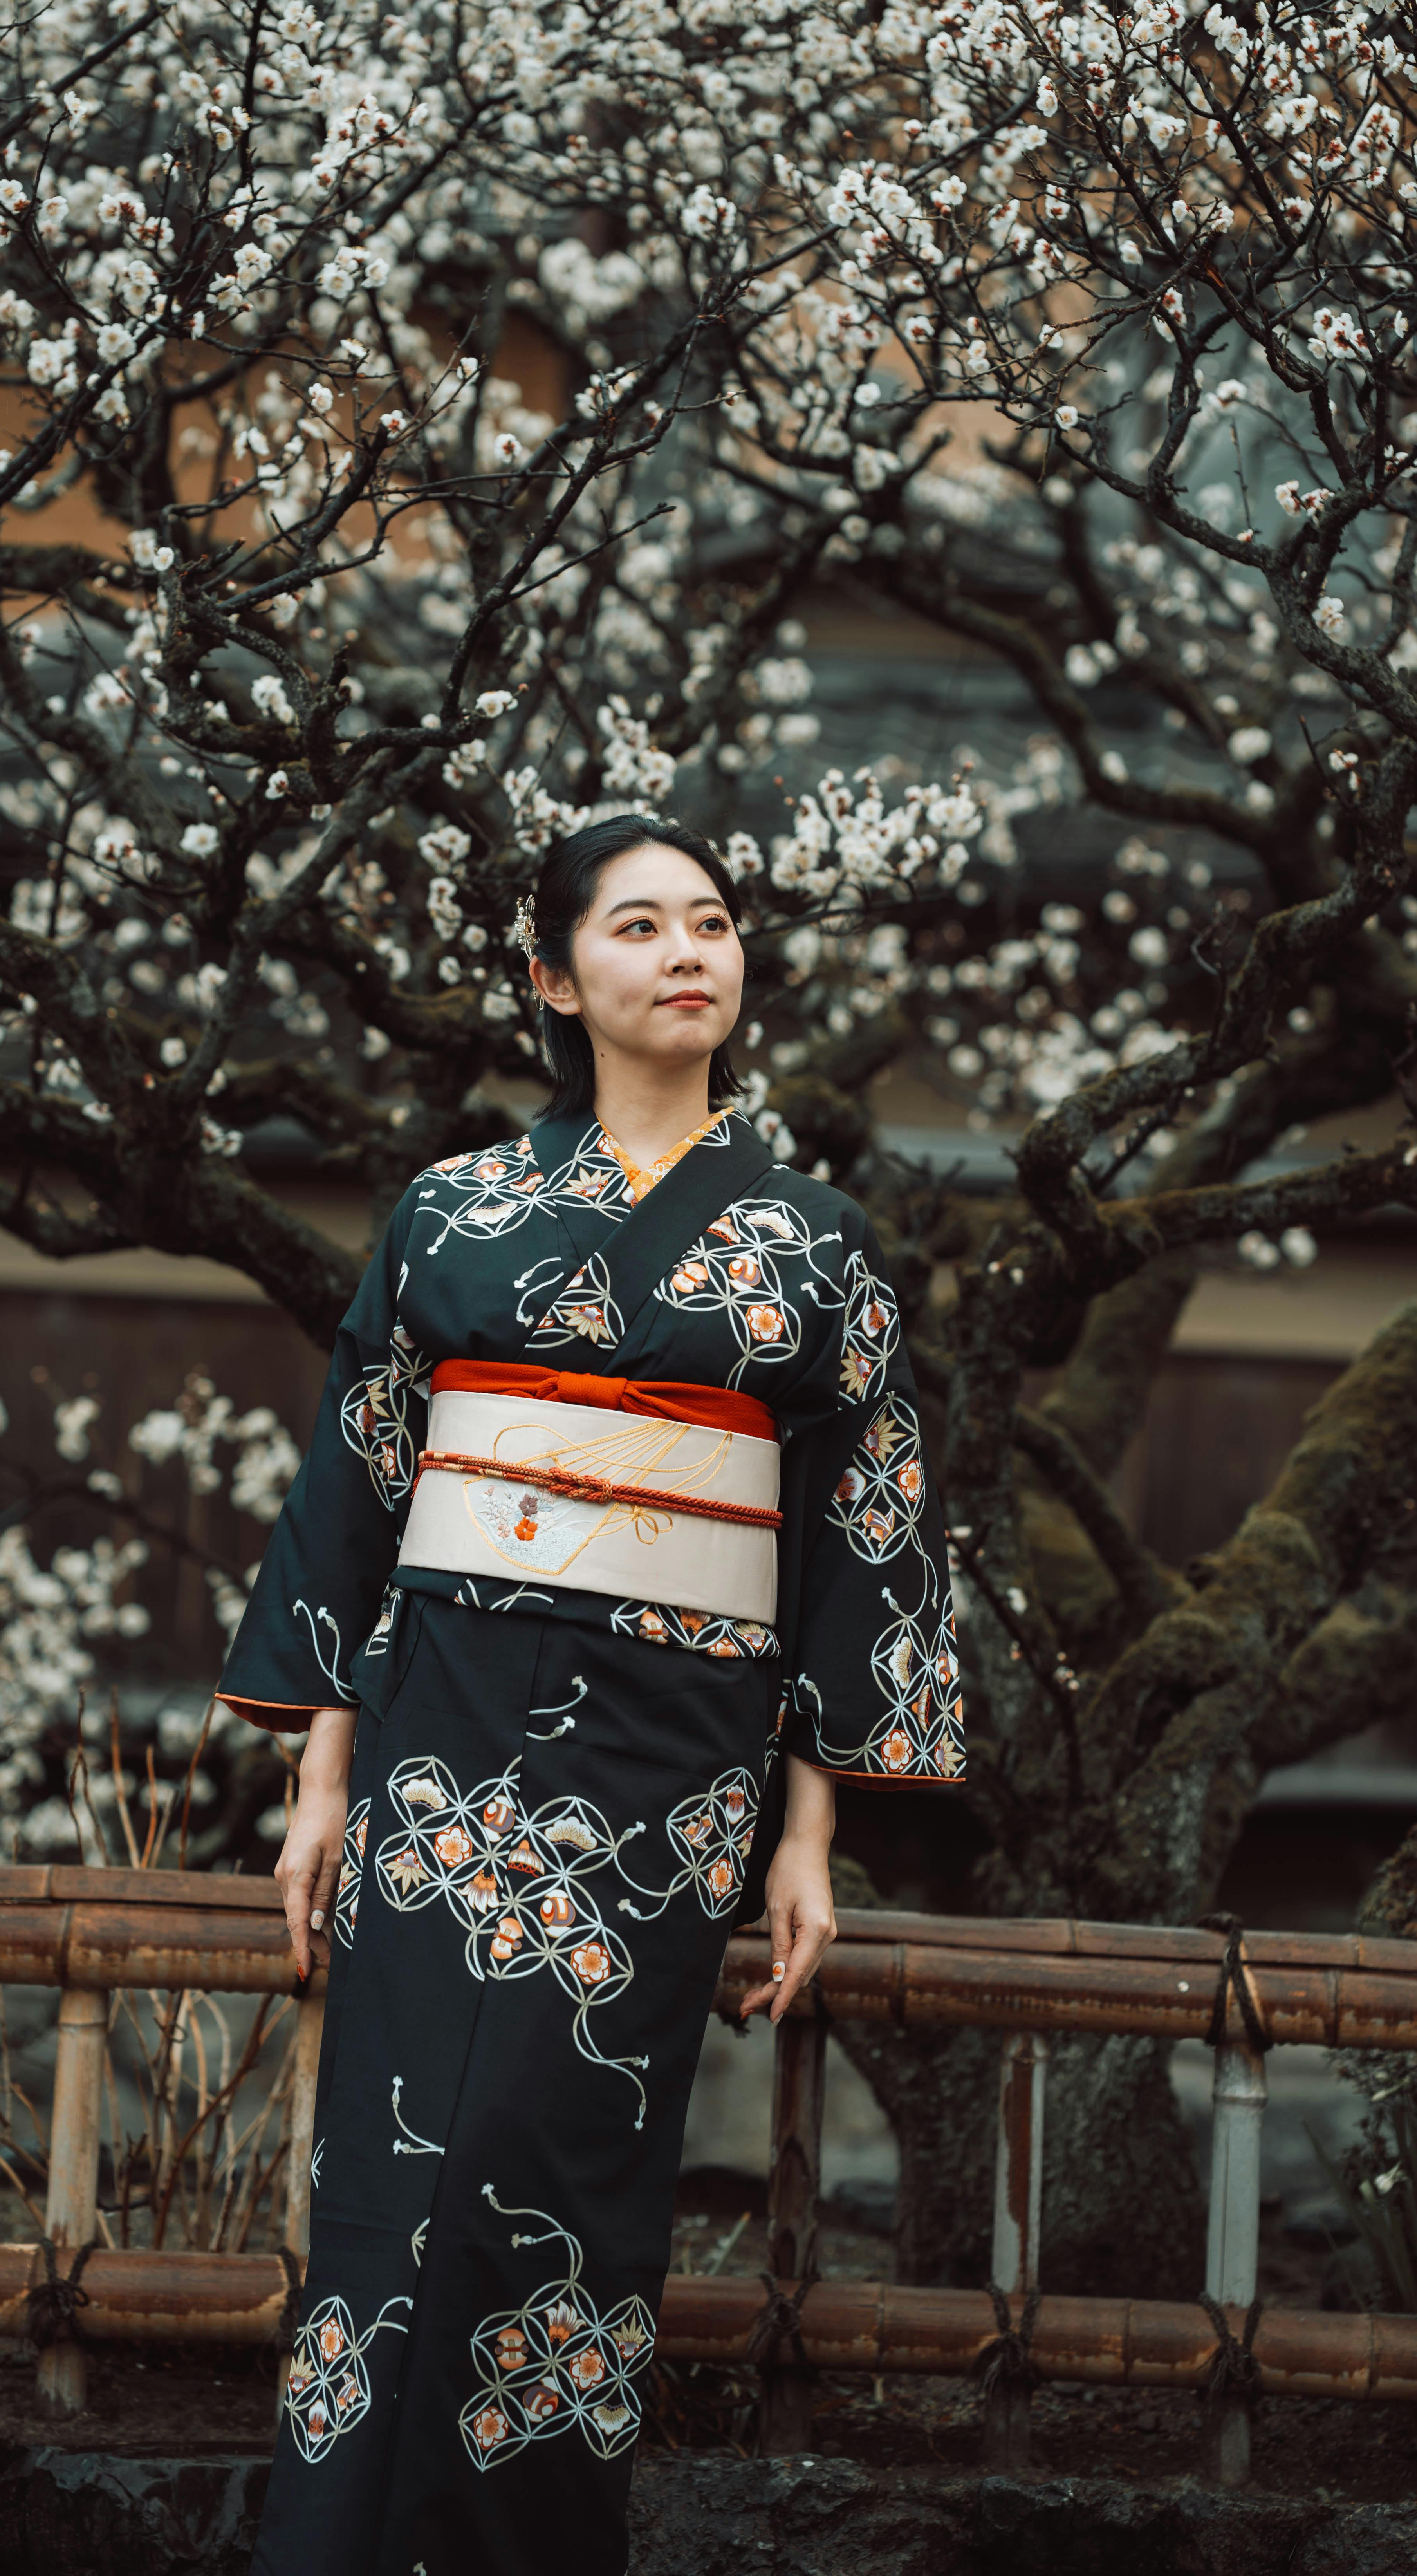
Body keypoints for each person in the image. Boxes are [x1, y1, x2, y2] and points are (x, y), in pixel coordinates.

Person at [215, 811, 962, 2576]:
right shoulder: (453, 1213)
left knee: (562, 2193)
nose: (689, 950)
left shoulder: (816, 1246)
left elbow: (862, 1540)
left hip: (669, 1769)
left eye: (714, 921)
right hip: (439, 1747)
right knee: (390, 2190)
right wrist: (326, 1780)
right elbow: (361, 1500)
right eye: (639, 926)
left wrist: (811, 1828)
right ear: (556, 977)